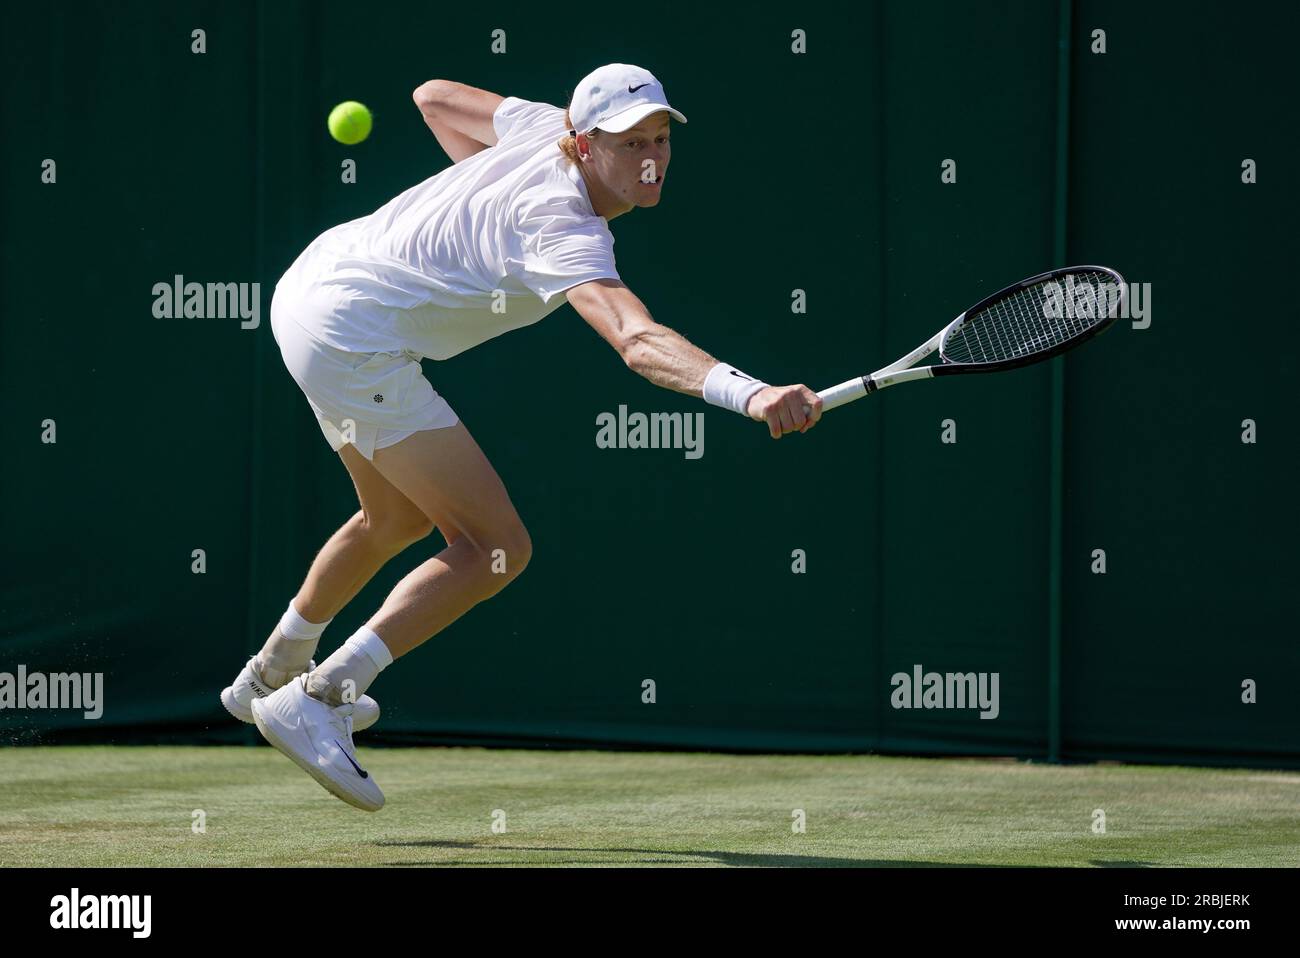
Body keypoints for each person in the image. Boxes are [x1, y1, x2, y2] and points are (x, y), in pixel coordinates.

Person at [222, 63, 823, 811]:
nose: (650, 157)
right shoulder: (563, 225)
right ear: (583, 143)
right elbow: (636, 341)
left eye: (661, 138)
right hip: (351, 337)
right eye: (629, 141)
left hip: (310, 289)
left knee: (396, 519)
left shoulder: (540, 126)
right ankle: (323, 695)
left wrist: (483, 204)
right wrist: (752, 392)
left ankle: (270, 670)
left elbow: (432, 97)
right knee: (495, 547)